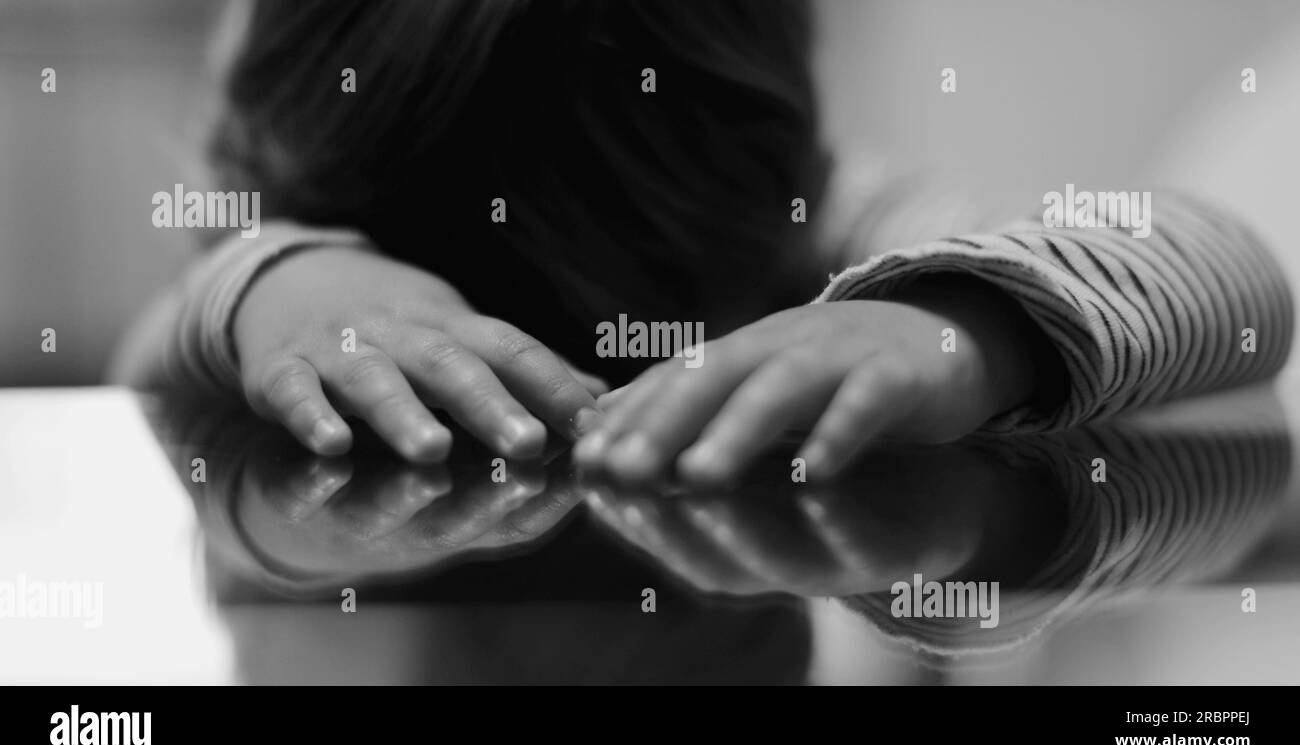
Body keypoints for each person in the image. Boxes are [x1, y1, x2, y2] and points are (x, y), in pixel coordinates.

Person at [111, 0, 1293, 484]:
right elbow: (162, 349)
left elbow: (1227, 264)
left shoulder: (836, 234)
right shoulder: (304, 264)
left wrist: (951, 325)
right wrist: (289, 279)